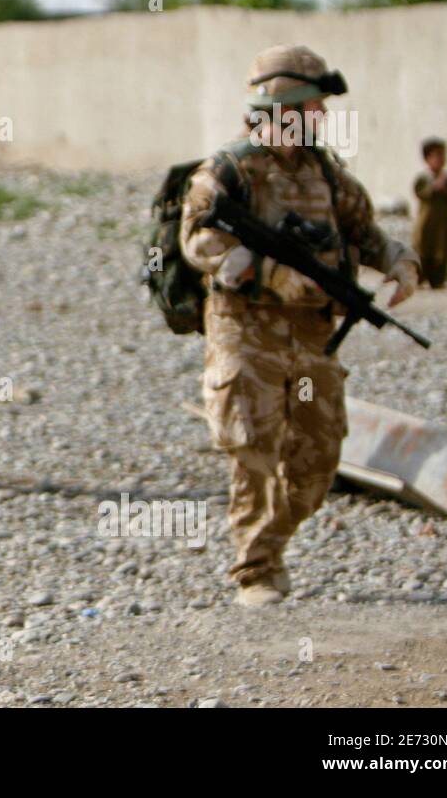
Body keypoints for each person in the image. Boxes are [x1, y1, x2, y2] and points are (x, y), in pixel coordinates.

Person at [180, 44, 420, 607]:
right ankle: (257, 570)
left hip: (312, 337)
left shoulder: (327, 176)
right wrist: (271, 275)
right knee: (253, 448)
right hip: (246, 332)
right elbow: (198, 241)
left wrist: (400, 262)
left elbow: (366, 233)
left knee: (318, 460)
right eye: (313, 106)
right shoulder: (228, 171)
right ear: (280, 106)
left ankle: (275, 538)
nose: (323, 117)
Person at [412, 136, 447, 288]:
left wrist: (446, 189)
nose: (441, 159)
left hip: (443, 223)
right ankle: (419, 277)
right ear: (427, 158)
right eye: (437, 155)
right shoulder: (423, 178)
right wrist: (433, 188)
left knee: (442, 249)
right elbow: (419, 192)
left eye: (443, 155)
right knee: (422, 248)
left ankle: (438, 280)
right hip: (426, 221)